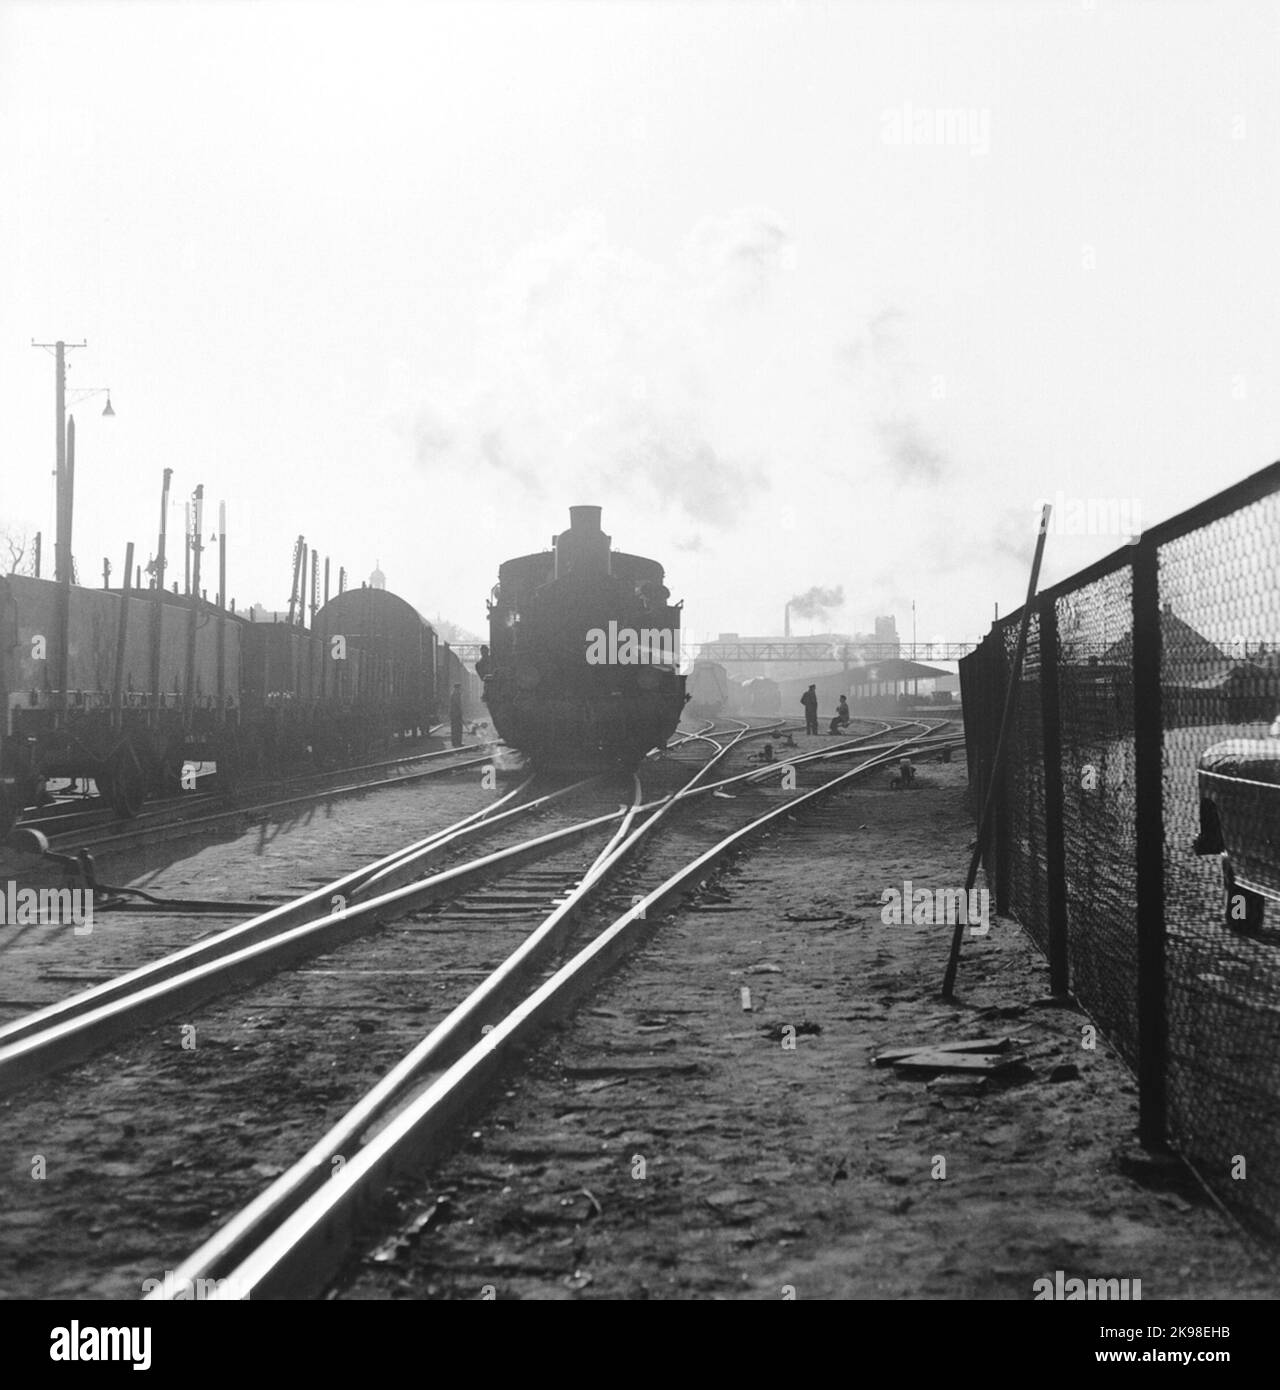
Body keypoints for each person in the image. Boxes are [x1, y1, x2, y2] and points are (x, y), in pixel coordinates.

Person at [449, 683, 464, 747]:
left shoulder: (453, 694)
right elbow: (458, 704)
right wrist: (461, 711)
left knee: (454, 728)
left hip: (453, 713)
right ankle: (458, 742)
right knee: (458, 728)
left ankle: (455, 742)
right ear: (457, 688)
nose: (460, 689)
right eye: (459, 688)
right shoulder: (457, 694)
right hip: (456, 714)